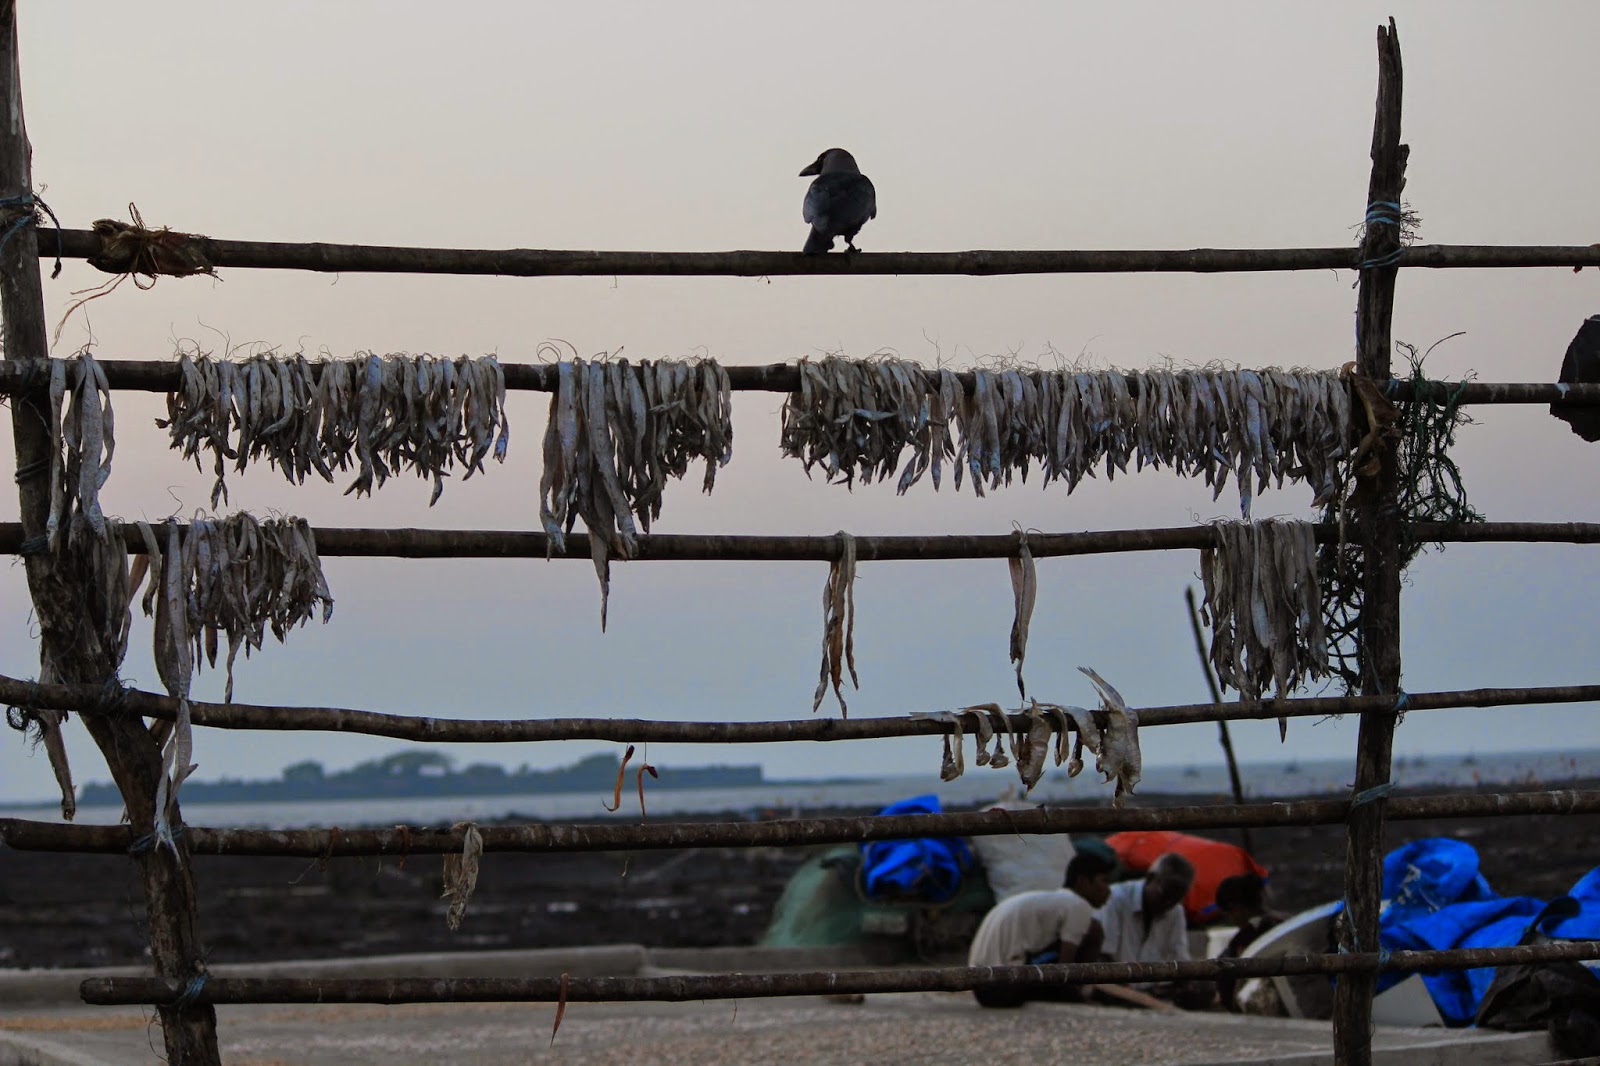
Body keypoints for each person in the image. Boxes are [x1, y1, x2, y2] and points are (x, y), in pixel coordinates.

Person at [967, 851, 1115, 1008]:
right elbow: (1064, 968)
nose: (1108, 890)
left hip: (981, 987)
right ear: (1083, 882)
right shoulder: (1078, 905)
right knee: (1095, 930)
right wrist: (1076, 996)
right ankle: (1081, 990)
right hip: (1005, 988)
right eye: (1104, 881)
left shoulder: (1052, 900)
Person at [1097, 852, 1213, 1008]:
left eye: (1176, 899)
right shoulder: (1115, 899)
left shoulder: (1175, 911)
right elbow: (1103, 955)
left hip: (1151, 992)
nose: (1169, 903)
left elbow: (1180, 959)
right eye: (1165, 895)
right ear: (1150, 878)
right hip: (1114, 987)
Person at [1213, 872, 1286, 1011]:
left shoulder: (1245, 937)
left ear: (1237, 907)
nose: (1230, 918)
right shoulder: (1286, 923)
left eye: (1229, 913)